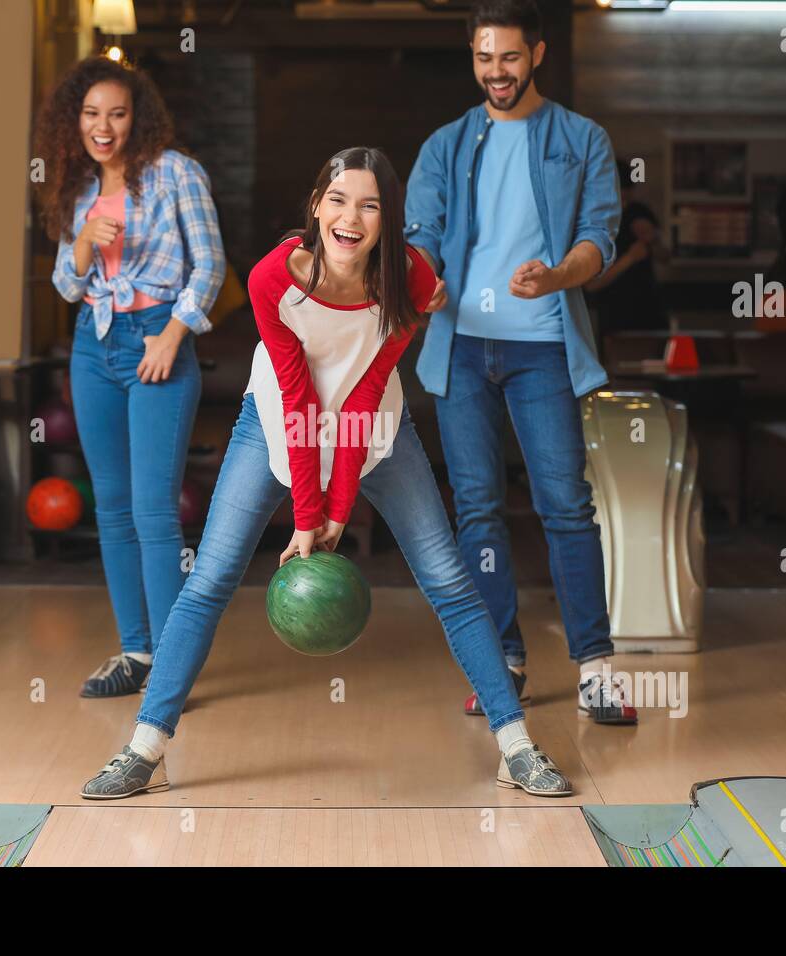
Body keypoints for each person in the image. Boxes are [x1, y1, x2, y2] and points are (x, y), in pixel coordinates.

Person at [79, 147, 573, 800]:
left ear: (389, 222)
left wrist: (340, 511)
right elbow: (300, 397)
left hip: (374, 430)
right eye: (339, 200)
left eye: (371, 205)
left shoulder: (412, 281)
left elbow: (366, 392)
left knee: (450, 579)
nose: (352, 217)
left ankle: (516, 747)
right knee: (211, 579)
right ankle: (144, 749)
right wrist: (310, 517)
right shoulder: (271, 280)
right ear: (316, 207)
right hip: (280, 418)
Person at [404, 0, 636, 724]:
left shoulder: (581, 138)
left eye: (508, 57)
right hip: (463, 349)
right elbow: (419, 237)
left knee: (565, 506)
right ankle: (501, 659)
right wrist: (426, 281)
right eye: (483, 58)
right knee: (476, 509)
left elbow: (601, 234)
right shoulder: (445, 144)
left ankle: (596, 667)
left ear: (536, 53)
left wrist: (560, 274)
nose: (495, 73)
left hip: (543, 346)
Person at [34, 57, 225, 697]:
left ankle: (171, 670)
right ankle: (136, 653)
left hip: (157, 341)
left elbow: (211, 266)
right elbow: (67, 283)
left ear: (136, 116)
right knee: (112, 510)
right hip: (94, 344)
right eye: (91, 114)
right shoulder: (78, 188)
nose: (104, 126)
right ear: (75, 120)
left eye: (116, 113)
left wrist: (174, 333)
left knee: (154, 513)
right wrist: (85, 238)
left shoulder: (176, 173)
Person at [586, 159, 670, 351]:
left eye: (627, 199)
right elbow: (591, 284)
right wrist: (629, 259)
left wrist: (654, 238)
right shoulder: (595, 221)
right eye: (619, 199)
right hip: (615, 316)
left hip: (650, 310)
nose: (623, 205)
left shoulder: (639, 212)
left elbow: (665, 257)